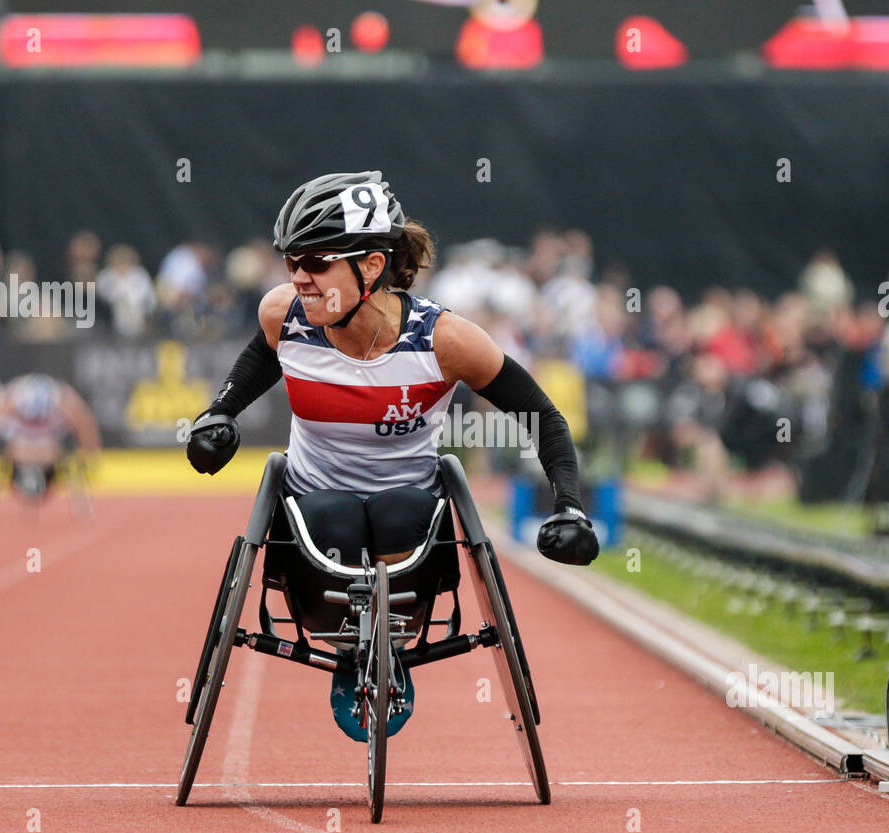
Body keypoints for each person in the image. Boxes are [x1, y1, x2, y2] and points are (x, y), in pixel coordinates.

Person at [185, 171, 599, 738]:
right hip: (311, 521)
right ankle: (353, 649)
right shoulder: (285, 314)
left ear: (371, 266)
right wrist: (217, 416)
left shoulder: (445, 341)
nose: (300, 277)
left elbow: (543, 416)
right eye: (291, 262)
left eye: (316, 262)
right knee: (334, 512)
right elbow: (257, 363)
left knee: (398, 509)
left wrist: (570, 505)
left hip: (411, 525)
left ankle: (388, 644)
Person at [0, 373, 101, 504]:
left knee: (40, 449)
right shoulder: (8, 402)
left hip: (46, 432)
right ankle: (26, 475)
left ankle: (40, 476)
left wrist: (88, 455)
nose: (34, 455)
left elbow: (85, 423)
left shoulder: (65, 403)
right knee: (28, 448)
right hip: (24, 431)